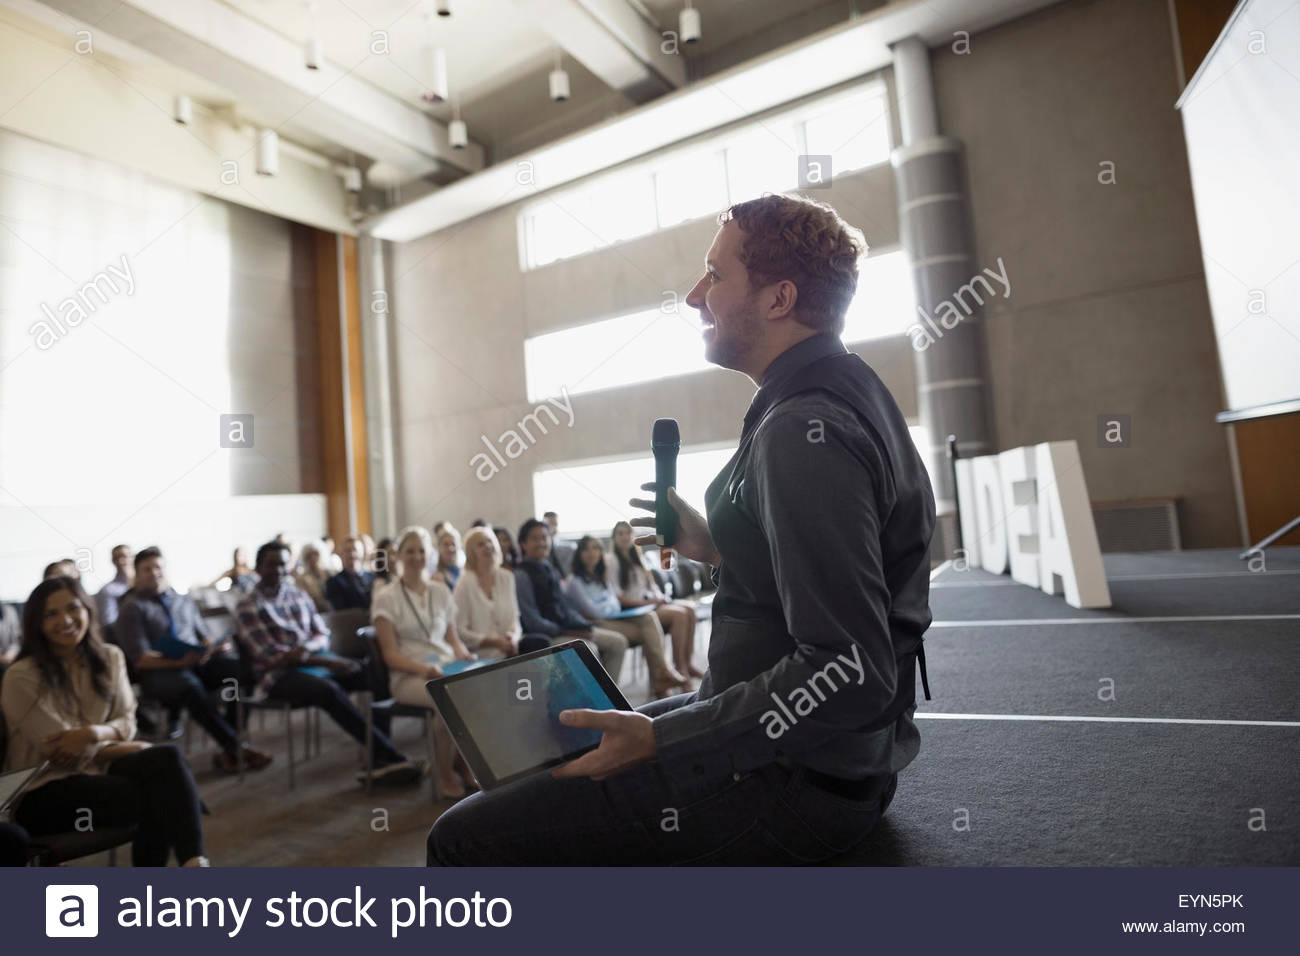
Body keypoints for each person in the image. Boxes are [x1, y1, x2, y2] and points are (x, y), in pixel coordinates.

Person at [427, 194, 934, 865]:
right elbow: (823, 585)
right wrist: (718, 549)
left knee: (460, 838)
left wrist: (664, 741)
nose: (696, 296)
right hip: (824, 758)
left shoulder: (802, 430)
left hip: (795, 782)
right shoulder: (838, 390)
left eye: (716, 275)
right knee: (560, 752)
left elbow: (848, 667)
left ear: (780, 298)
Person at [2, 577, 209, 866]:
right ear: (36, 622)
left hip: (100, 770)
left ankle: (195, 862)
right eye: (51, 614)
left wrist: (92, 733)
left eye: (74, 608)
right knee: (158, 796)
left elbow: (127, 722)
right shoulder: (21, 675)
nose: (66, 620)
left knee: (167, 757)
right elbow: (63, 753)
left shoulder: (111, 657)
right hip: (41, 791)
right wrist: (129, 747)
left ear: (88, 610)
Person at [234, 541, 423, 784]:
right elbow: (272, 655)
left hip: (318, 664)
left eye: (283, 564)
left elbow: (322, 634)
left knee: (373, 672)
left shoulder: (298, 594)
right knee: (328, 690)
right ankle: (389, 755)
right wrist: (323, 661)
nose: (278, 570)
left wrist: (309, 652)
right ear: (258, 568)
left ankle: (378, 758)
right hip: (279, 677)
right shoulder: (249, 605)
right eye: (271, 565)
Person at [115, 547, 271, 774]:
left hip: (195, 662)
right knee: (189, 685)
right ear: (137, 574)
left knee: (242, 670)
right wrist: (178, 662)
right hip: (159, 674)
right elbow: (140, 659)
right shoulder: (132, 608)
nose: (154, 573)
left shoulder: (182, 599)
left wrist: (215, 645)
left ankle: (230, 745)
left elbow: (203, 634)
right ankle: (237, 748)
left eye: (158, 567)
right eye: (146, 569)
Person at [371, 527, 475, 799]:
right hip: (409, 676)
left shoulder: (440, 590)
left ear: (429, 554)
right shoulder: (386, 597)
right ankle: (444, 773)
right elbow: (390, 654)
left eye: (421, 551)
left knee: (478, 688)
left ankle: (464, 764)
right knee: (448, 700)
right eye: (410, 551)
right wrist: (423, 669)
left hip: (446, 667)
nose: (416, 556)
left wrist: (464, 654)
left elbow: (453, 639)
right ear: (398, 556)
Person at [564, 535, 689, 698]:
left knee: (649, 617)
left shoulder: (601, 577)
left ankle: (662, 675)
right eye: (586, 549)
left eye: (595, 548)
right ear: (579, 554)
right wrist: (606, 605)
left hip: (611, 618)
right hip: (595, 623)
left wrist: (604, 606)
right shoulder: (575, 581)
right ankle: (661, 679)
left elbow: (614, 603)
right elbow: (595, 611)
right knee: (648, 634)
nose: (591, 553)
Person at [513, 519, 627, 682]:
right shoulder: (521, 575)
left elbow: (566, 606)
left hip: (568, 628)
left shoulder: (550, 569)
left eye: (544, 537)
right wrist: (566, 631)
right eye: (535, 538)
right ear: (523, 544)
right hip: (546, 636)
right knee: (589, 649)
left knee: (618, 643)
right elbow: (531, 620)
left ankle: (609, 698)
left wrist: (583, 625)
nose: (541, 542)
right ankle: (594, 700)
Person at [609, 520, 703, 680]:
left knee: (689, 609)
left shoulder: (638, 557)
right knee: (679, 615)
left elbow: (652, 585)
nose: (625, 537)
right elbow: (618, 597)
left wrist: (659, 597)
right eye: (620, 533)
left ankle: (688, 663)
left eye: (628, 533)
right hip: (635, 610)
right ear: (614, 538)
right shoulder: (612, 561)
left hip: (649, 603)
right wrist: (647, 603)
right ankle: (680, 668)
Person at [453, 527, 550, 660]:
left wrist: (514, 638)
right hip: (481, 652)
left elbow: (515, 618)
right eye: (480, 544)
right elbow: (460, 630)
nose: (488, 546)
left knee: (542, 643)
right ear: (471, 552)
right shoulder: (464, 583)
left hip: (511, 646)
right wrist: (495, 642)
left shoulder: (507, 577)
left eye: (490, 541)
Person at [324, 536, 375, 611]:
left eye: (355, 550)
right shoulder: (333, 582)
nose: (352, 554)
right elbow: (341, 610)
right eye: (347, 551)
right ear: (341, 555)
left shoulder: (373, 578)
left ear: (362, 553)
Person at [95, 544, 133, 626]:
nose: (121, 561)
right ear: (113, 561)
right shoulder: (108, 591)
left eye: (124, 556)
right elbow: (108, 624)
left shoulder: (146, 585)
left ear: (133, 558)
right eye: (117, 558)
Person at [294, 542, 332, 613]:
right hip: (317, 612)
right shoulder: (301, 578)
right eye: (309, 556)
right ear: (304, 559)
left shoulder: (332, 572)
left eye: (316, 554)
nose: (313, 558)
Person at [543, 511, 575, 578]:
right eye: (550, 524)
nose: (553, 528)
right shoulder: (541, 548)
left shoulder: (569, 548)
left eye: (555, 524)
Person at [431, 523, 463, 590]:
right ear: (439, 547)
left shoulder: (463, 571)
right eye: (446, 545)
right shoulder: (437, 577)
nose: (450, 548)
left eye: (453, 544)